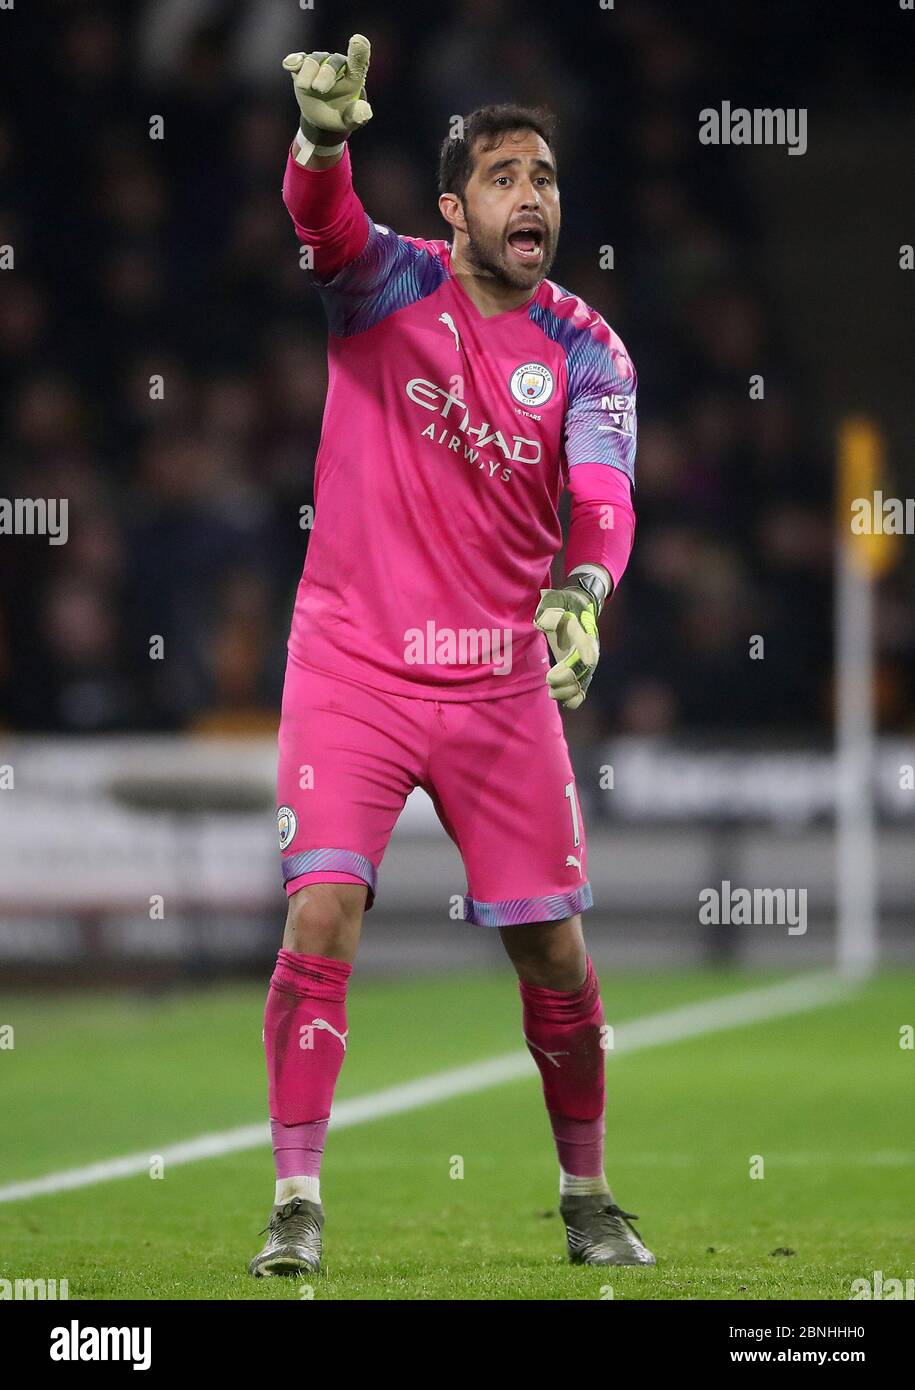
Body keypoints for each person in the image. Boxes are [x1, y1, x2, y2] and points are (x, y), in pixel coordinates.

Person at [249, 34, 654, 1276]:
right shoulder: (384, 285)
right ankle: (296, 1202)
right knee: (321, 912)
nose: (531, 195)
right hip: (353, 664)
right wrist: (321, 139)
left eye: (543, 175)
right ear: (452, 208)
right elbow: (322, 222)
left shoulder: (588, 348)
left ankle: (586, 1196)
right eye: (502, 176)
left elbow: (605, 495)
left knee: (555, 950)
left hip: (497, 678)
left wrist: (583, 590)